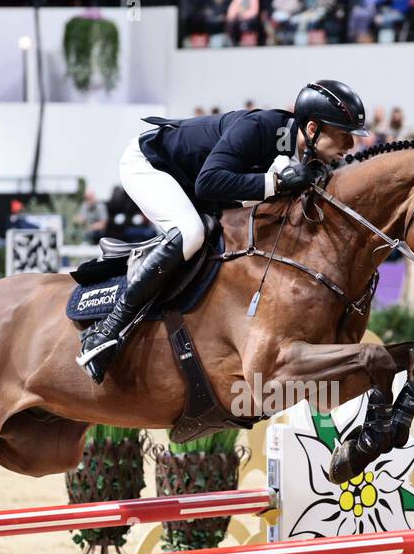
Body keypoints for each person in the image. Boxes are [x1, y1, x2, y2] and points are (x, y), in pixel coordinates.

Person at [77, 78, 370, 383]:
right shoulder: (260, 128)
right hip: (152, 165)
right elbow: (209, 183)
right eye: (344, 136)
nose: (350, 147)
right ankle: (105, 333)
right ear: (312, 129)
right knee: (191, 232)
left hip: (195, 182)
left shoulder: (306, 154)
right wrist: (277, 184)